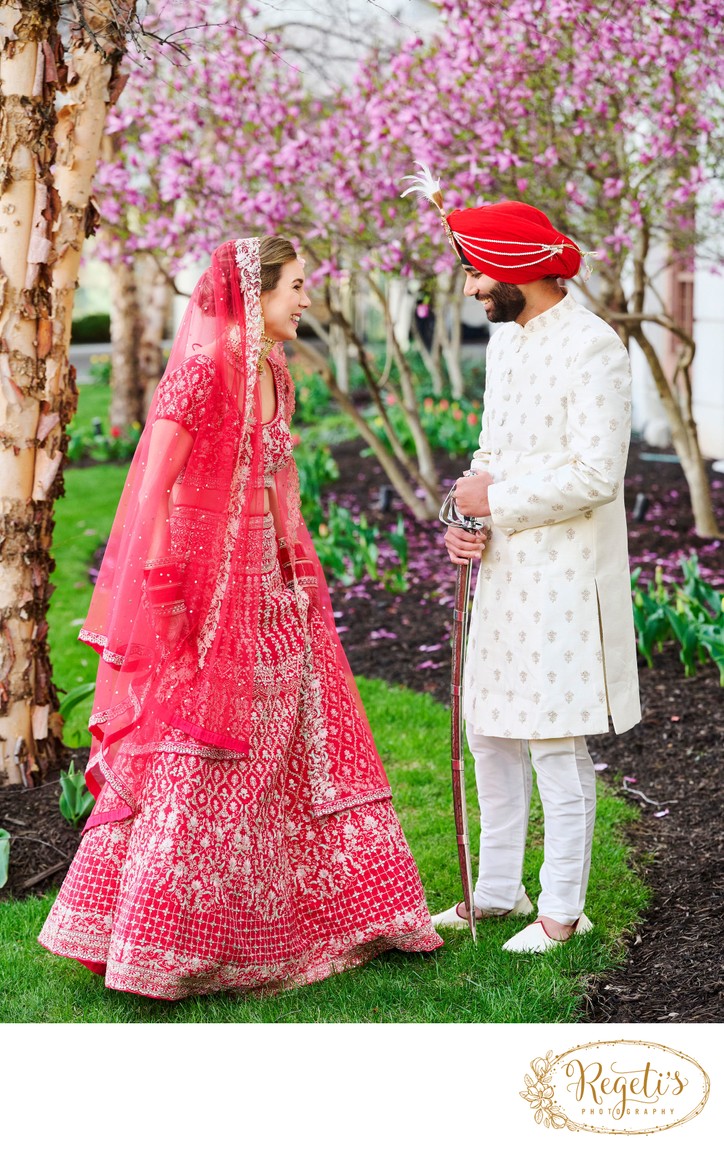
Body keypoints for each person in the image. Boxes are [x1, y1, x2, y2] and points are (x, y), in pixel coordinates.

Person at [39, 236, 441, 998]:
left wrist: (298, 566)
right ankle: (163, 942)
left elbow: (276, 482)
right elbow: (151, 487)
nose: (307, 301)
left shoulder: (274, 372)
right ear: (256, 294)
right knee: (202, 746)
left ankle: (313, 915)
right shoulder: (199, 373)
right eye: (296, 287)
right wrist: (164, 589)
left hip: (270, 574)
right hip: (201, 576)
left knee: (290, 734)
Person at [430, 199, 641, 952]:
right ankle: (495, 889)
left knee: (554, 739)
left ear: (520, 265)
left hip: (565, 574)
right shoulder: (507, 345)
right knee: (489, 728)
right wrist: (467, 518)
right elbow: (492, 454)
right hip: (505, 567)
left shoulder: (594, 348)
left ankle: (560, 909)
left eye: (477, 271)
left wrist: (500, 501)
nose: (470, 289)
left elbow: (596, 473)